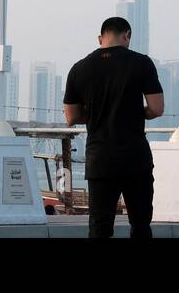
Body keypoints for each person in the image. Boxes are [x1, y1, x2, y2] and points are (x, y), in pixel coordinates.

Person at [63, 16, 164, 238]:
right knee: (140, 225)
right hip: (135, 158)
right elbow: (157, 109)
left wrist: (96, 116)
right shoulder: (141, 63)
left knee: (100, 227)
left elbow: (71, 117)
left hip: (100, 159)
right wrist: (136, 112)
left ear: (100, 38)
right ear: (127, 35)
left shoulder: (79, 68)